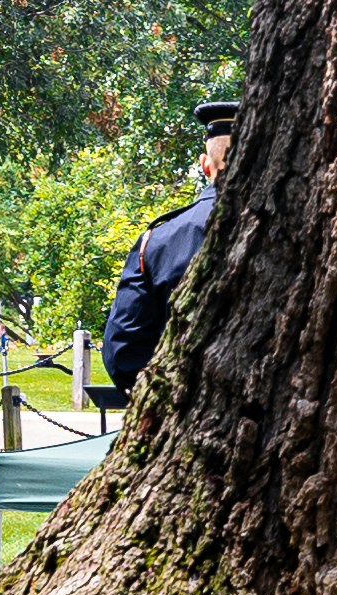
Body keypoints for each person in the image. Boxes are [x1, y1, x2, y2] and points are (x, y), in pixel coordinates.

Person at [96, 95, 241, 406]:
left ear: (205, 166)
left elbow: (122, 349)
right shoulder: (306, 232)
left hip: (181, 408)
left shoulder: (157, 240)